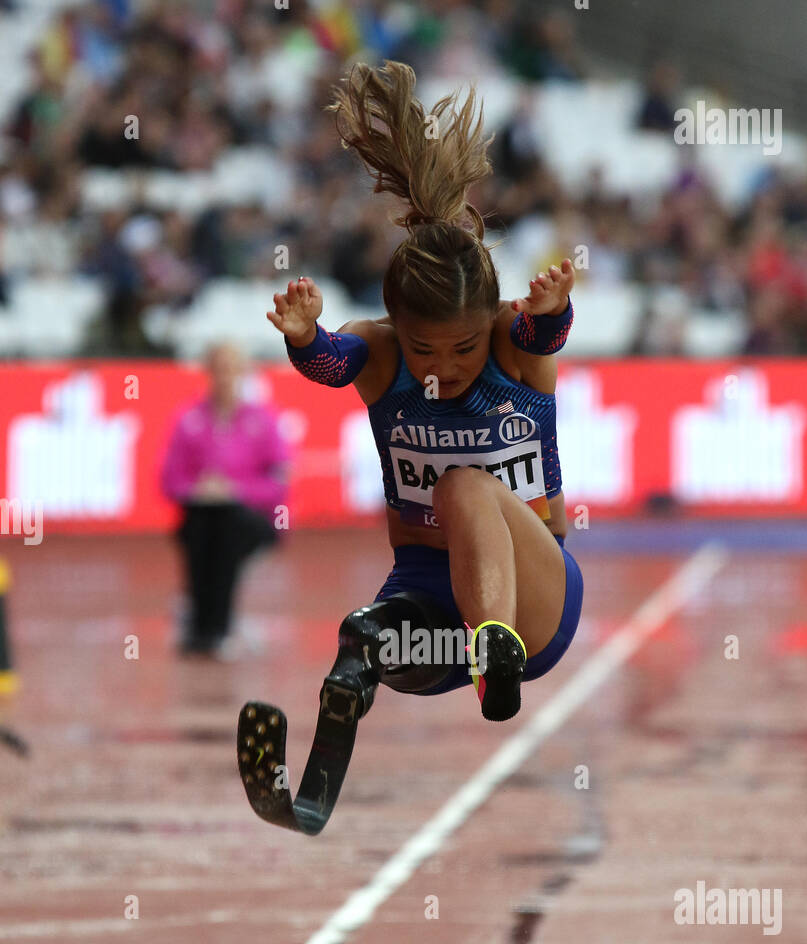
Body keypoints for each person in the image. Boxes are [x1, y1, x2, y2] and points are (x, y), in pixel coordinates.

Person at [273, 58, 583, 725]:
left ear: (490, 324)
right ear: (397, 329)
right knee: (366, 630)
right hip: (428, 593)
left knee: (463, 487)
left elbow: (543, 334)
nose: (445, 365)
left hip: (534, 601)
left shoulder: (512, 344)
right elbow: (331, 363)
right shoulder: (380, 354)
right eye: (425, 349)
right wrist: (303, 339)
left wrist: (554, 308)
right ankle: (352, 690)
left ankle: (493, 648)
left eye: (463, 347)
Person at [160, 340, 289, 657]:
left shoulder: (262, 419)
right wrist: (198, 490)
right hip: (204, 516)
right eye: (218, 368)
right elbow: (169, 479)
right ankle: (203, 624)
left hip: (251, 520)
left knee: (226, 528)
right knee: (202, 524)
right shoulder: (190, 419)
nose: (224, 376)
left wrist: (235, 490)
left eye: (231, 368)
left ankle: (213, 626)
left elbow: (278, 482)